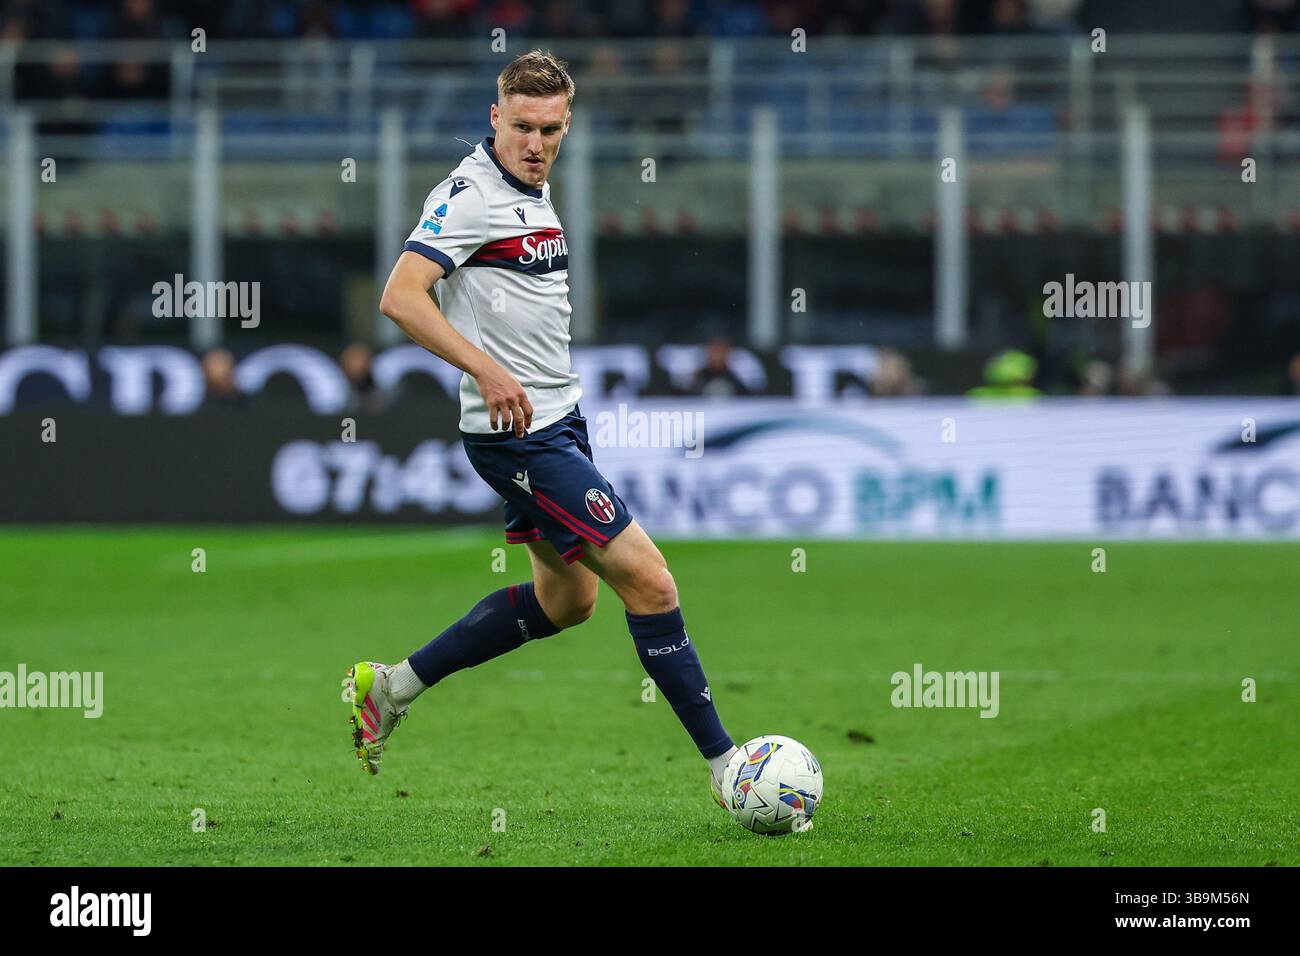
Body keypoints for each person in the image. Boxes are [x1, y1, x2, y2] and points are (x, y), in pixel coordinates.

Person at [348, 50, 738, 808]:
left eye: (550, 130)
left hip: (559, 420)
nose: (535, 142)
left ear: (566, 124)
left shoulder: (532, 187)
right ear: (495, 117)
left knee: (567, 604)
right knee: (651, 583)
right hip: (519, 438)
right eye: (522, 126)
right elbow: (401, 296)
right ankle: (729, 768)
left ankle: (390, 688)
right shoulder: (468, 195)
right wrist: (484, 369)